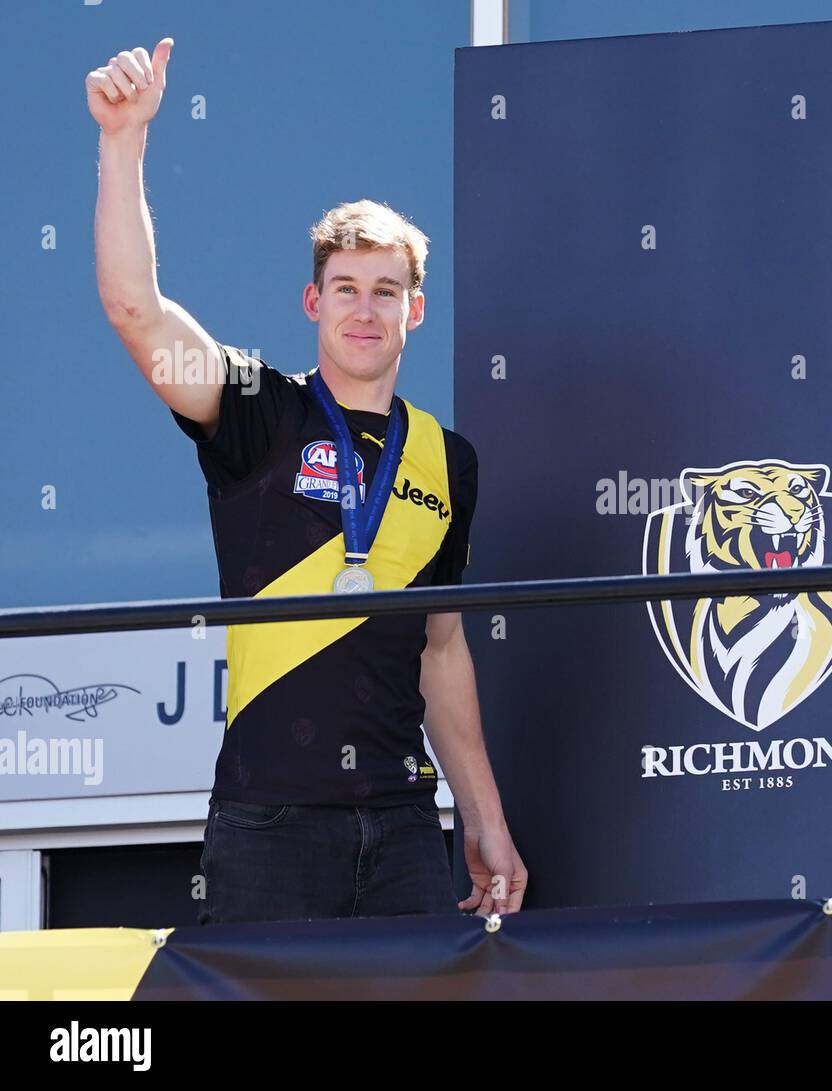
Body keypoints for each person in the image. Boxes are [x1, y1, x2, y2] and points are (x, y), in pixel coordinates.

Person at [88, 38, 526, 922]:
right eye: (347, 287)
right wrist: (123, 140)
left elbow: (440, 648)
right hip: (269, 823)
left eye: (387, 290)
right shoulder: (256, 408)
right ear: (312, 302)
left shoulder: (449, 458)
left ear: (417, 309)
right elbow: (136, 309)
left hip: (405, 824)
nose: (366, 309)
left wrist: (484, 816)